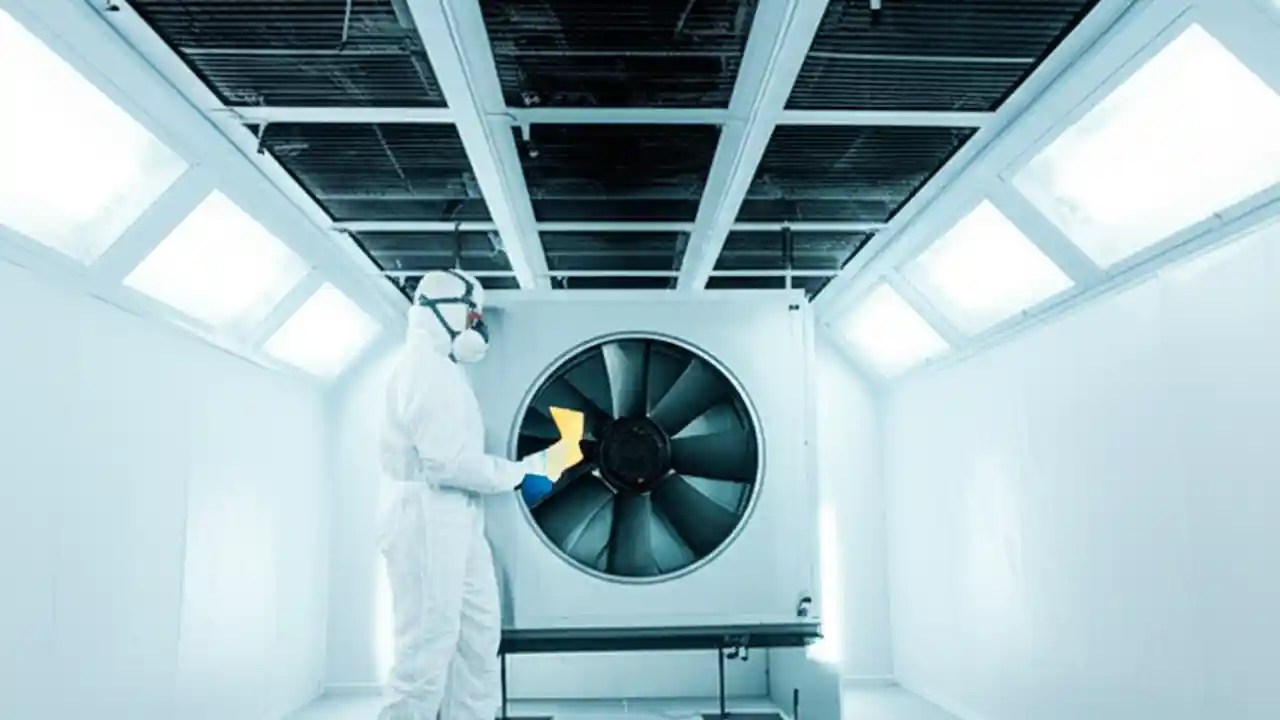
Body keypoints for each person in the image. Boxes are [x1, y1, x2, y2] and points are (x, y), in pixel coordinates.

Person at [378, 269, 554, 720]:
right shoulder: (423, 369)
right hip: (428, 515)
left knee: (477, 638)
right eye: (473, 315)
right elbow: (446, 463)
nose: (477, 326)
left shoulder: (442, 369)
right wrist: (518, 475)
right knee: (424, 650)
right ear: (448, 310)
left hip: (457, 516)